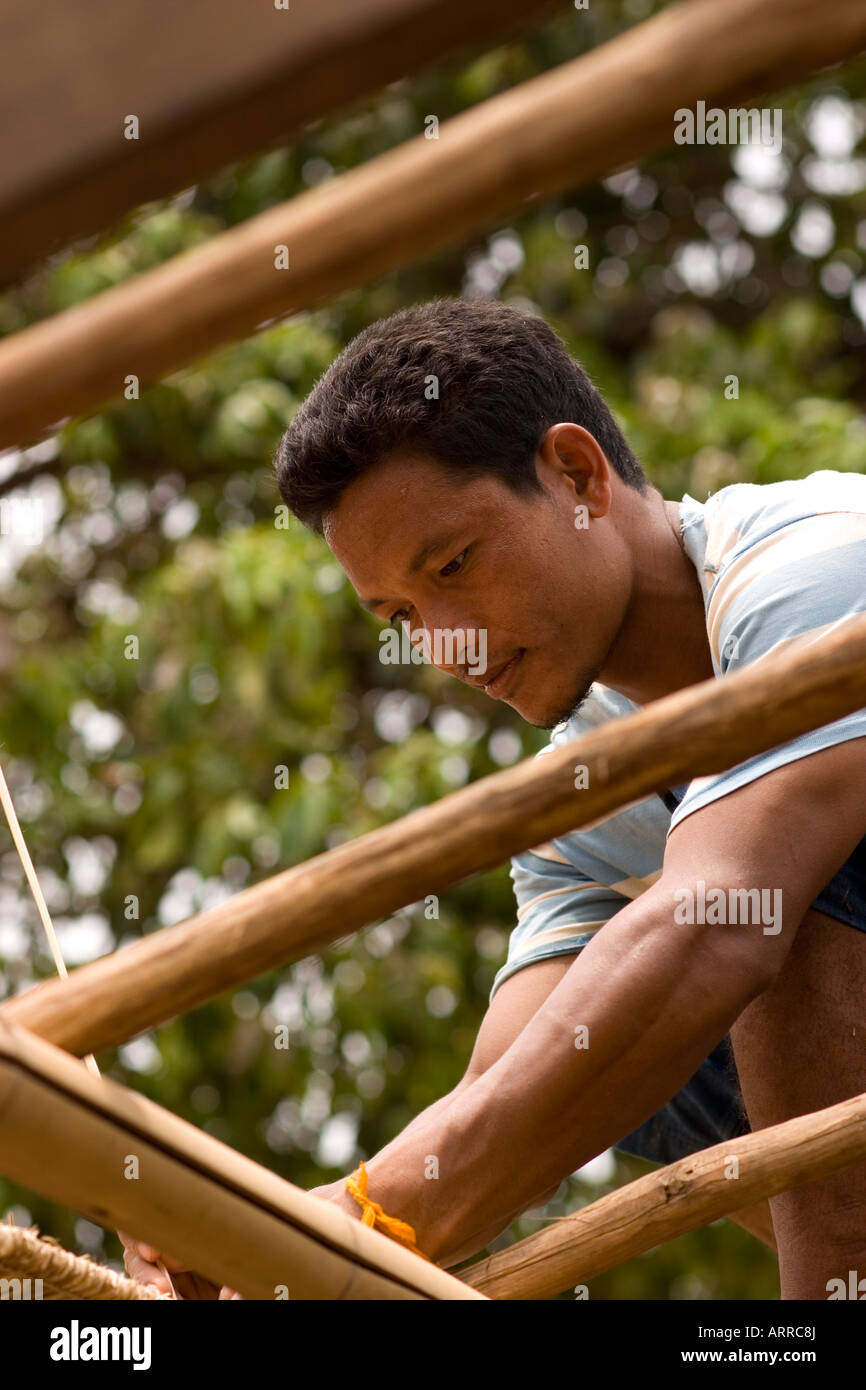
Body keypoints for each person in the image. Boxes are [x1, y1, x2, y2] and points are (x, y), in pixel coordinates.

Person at [123, 297, 866, 1298]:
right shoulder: (585, 789)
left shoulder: (815, 568)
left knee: (738, 901)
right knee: (592, 1034)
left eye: (453, 566)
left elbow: (717, 921)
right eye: (400, 613)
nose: (444, 646)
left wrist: (361, 1220)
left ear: (574, 474)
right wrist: (282, 1235)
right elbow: (503, 1083)